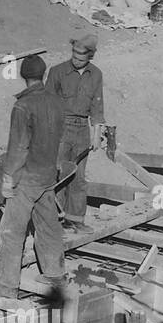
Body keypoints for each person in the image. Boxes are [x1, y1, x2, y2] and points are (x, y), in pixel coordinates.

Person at [0, 55, 65, 289]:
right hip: (48, 175)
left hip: (27, 178)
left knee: (12, 231)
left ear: (22, 76)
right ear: (44, 75)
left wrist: (8, 177)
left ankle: (7, 286)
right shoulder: (57, 102)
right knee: (49, 226)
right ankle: (54, 273)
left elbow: (18, 146)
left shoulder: (22, 106)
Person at [46, 35, 104, 232]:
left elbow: (97, 105)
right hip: (61, 127)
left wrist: (96, 133)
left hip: (82, 130)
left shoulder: (96, 75)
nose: (76, 60)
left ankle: (76, 219)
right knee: (60, 175)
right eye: (74, 55)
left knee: (78, 178)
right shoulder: (57, 72)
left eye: (81, 57)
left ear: (90, 57)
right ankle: (55, 221)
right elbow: (47, 105)